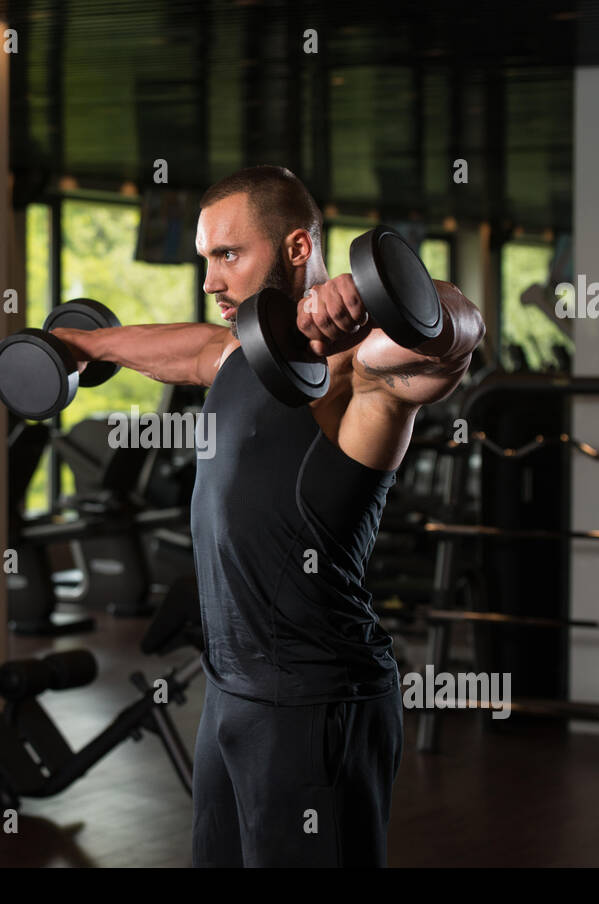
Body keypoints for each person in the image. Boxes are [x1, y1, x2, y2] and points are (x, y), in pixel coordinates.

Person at [49, 166, 485, 866]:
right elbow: (192, 349)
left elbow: (456, 335)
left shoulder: (364, 370)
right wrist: (87, 347)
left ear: (295, 249)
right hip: (230, 690)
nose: (210, 280)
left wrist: (396, 294)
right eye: (205, 259)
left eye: (228, 255)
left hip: (313, 699)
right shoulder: (238, 355)